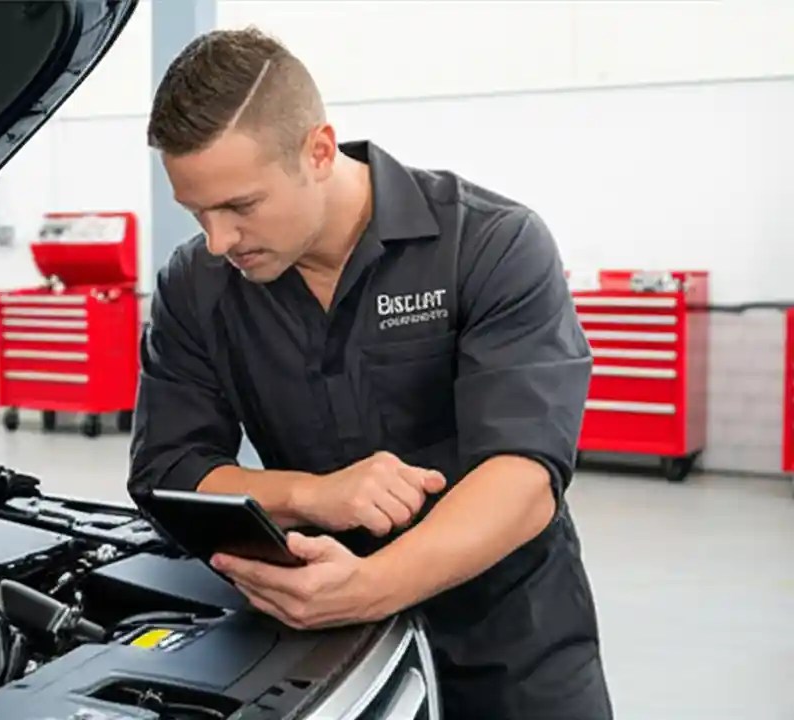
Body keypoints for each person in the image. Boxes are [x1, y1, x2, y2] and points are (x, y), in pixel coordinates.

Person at [127, 27, 613, 720]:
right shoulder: (196, 286)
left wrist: (372, 586)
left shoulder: (490, 244)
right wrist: (313, 494)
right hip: (320, 645)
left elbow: (523, 476)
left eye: (240, 205)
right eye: (197, 212)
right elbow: (167, 470)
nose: (217, 240)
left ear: (319, 152)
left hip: (510, 645)